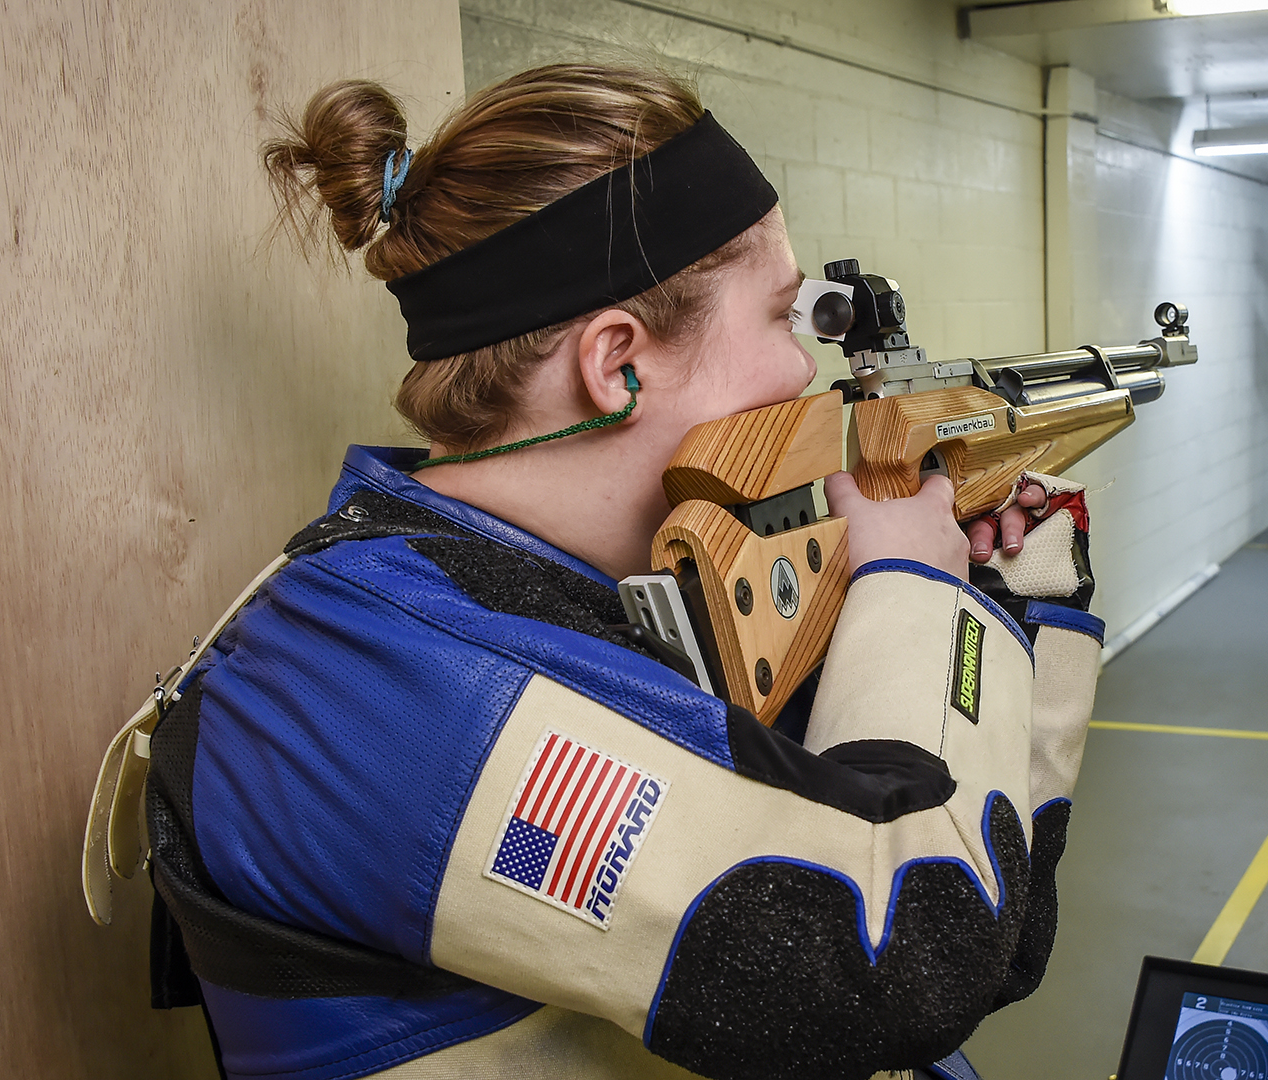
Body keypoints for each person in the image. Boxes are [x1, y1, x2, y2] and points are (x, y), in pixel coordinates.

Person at [139, 62, 1104, 1080]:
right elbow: (904, 956)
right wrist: (916, 593)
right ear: (616, 363)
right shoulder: (360, 689)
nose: (803, 371)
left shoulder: (593, 607)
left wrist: (1006, 601)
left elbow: (990, 933)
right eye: (780, 317)